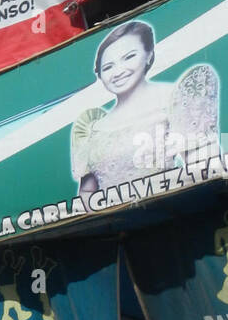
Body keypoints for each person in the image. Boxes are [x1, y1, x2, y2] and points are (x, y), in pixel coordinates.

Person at [71, 19, 219, 199]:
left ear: (149, 55)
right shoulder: (92, 126)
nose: (118, 72)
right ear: (100, 75)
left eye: (129, 57)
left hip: (173, 213)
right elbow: (86, 192)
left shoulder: (175, 98)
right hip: (115, 225)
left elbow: (205, 168)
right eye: (108, 67)